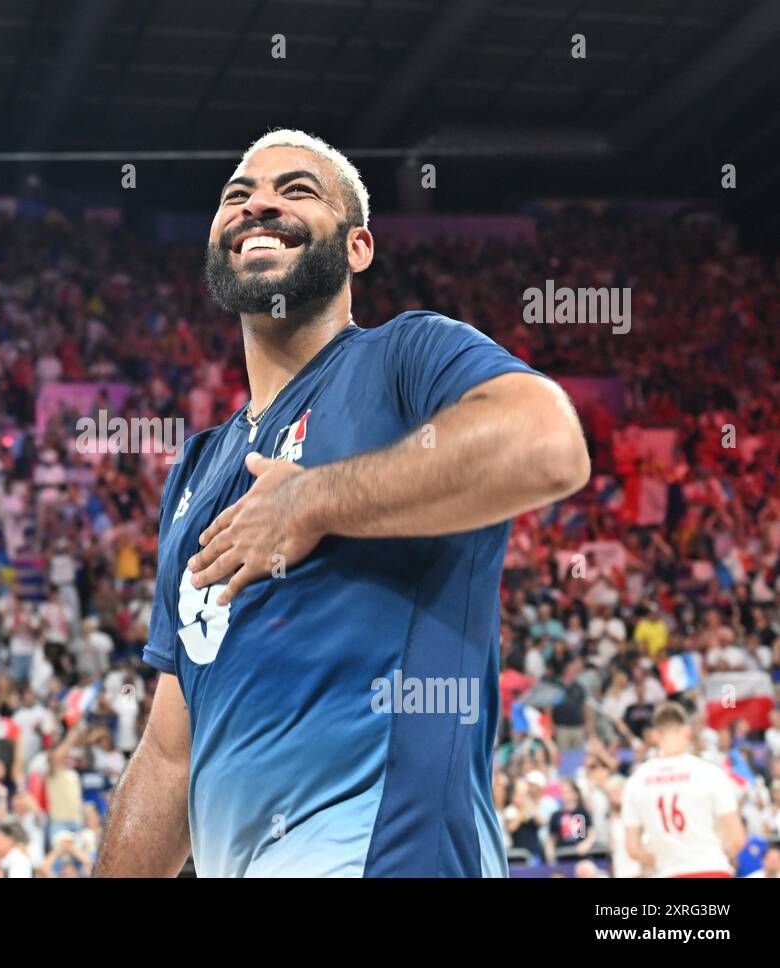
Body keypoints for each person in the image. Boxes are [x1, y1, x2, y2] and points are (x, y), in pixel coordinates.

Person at [96, 128, 589, 878]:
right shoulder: (196, 471)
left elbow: (547, 444)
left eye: (296, 191)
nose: (258, 203)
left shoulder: (406, 357)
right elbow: (169, 757)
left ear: (358, 247)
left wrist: (313, 502)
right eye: (237, 195)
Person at [620, 702, 746, 878]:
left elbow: (632, 848)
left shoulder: (636, 781)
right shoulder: (709, 772)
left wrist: (665, 860)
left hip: (669, 872)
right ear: (687, 731)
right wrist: (715, 854)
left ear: (655, 735)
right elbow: (737, 838)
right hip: (712, 868)